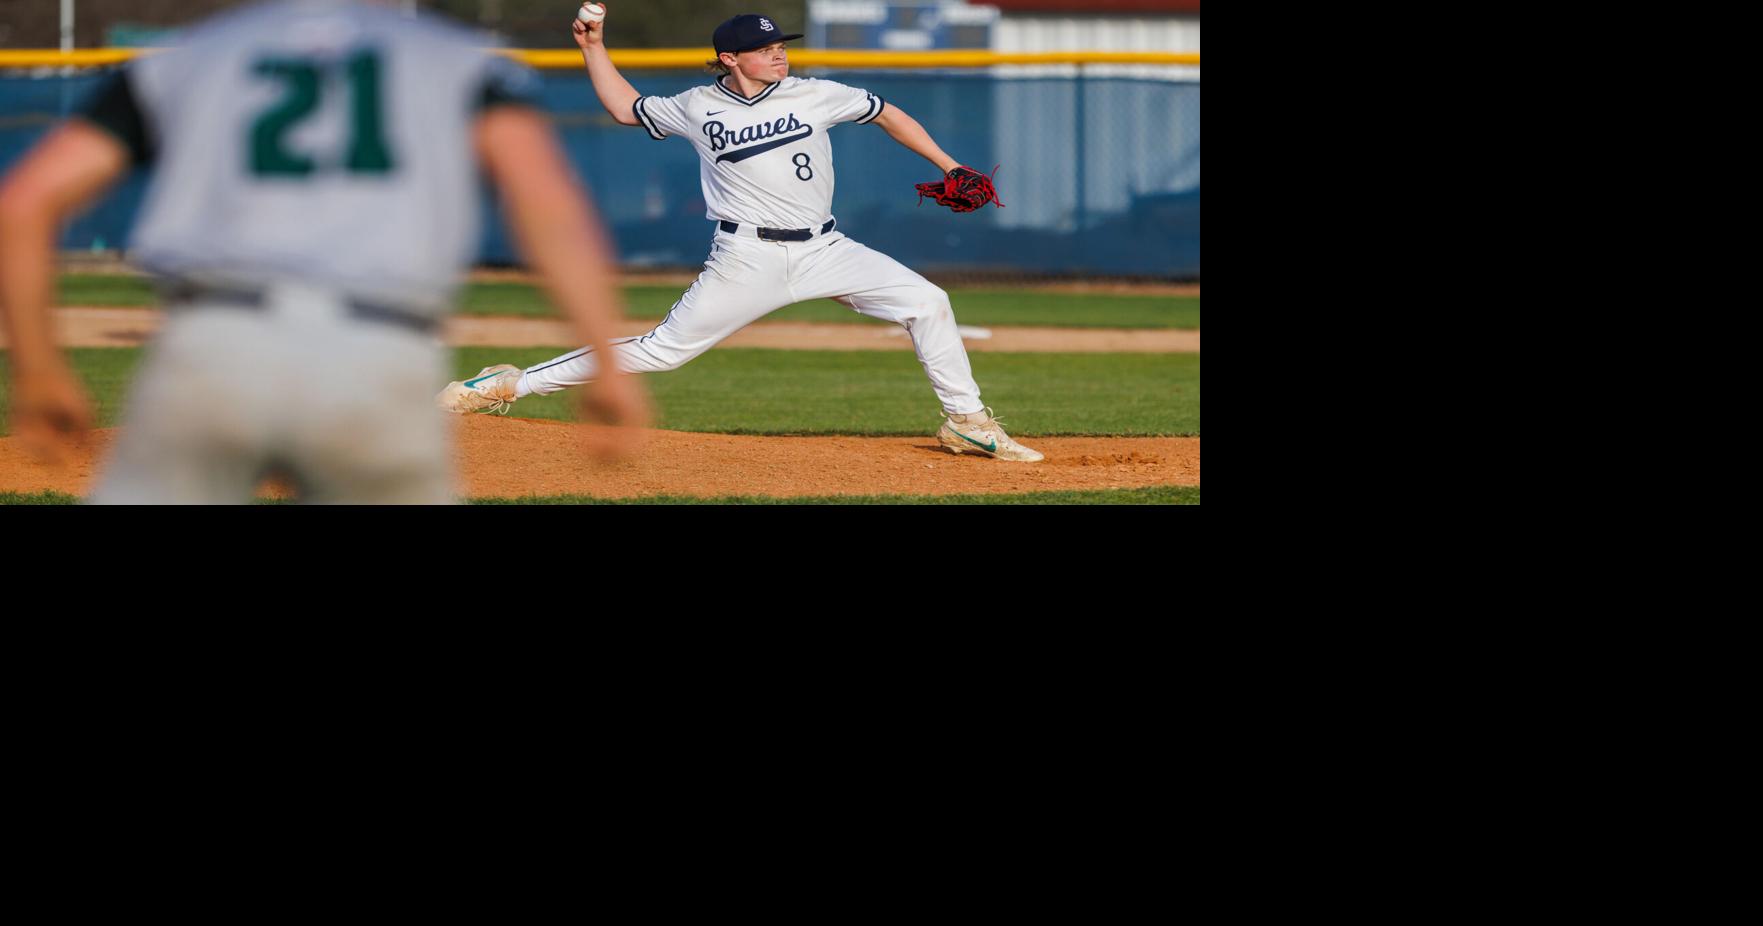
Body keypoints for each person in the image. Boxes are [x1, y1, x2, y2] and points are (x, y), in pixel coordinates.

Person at [0, 0, 648, 503]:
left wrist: (38, 370)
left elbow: (24, 204)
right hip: (375, 355)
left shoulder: (187, 59)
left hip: (212, 349)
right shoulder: (458, 62)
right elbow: (548, 206)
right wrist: (608, 366)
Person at [436, 8, 1042, 463]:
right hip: (746, 254)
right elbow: (627, 108)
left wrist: (948, 165)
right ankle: (508, 383)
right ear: (730, 57)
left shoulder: (816, 94)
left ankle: (967, 420)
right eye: (763, 48)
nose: (777, 55)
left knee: (929, 302)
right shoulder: (698, 106)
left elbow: (886, 112)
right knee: (664, 351)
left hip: (827, 248)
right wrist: (593, 46)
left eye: (779, 45)